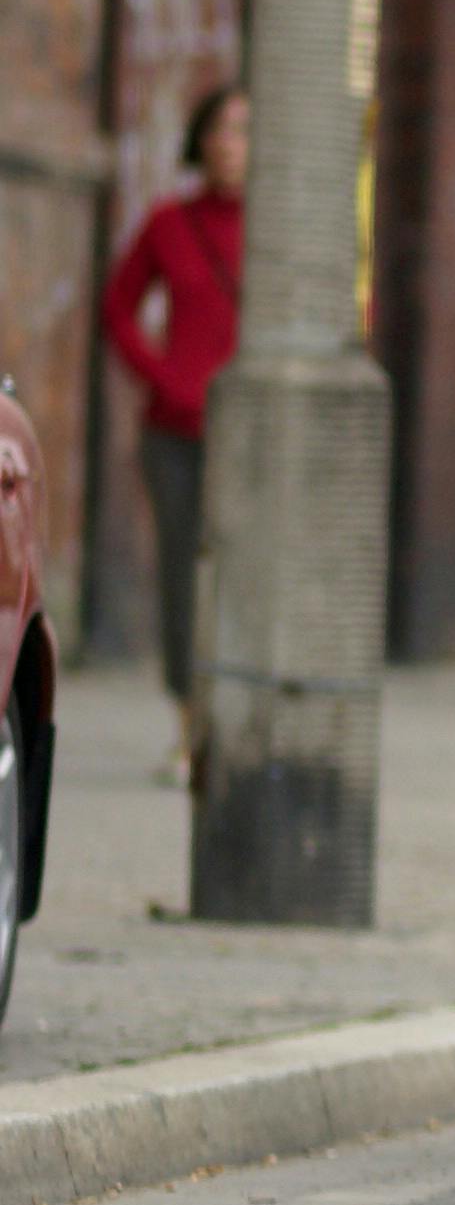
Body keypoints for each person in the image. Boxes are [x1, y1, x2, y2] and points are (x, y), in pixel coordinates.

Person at [103, 84, 248, 779]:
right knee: (184, 579)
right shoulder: (169, 224)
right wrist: (165, 379)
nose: (231, 144)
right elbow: (118, 308)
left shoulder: (281, 234)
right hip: (176, 435)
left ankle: (239, 722)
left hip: (251, 439)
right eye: (220, 129)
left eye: (245, 131)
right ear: (200, 141)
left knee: (245, 573)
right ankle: (190, 727)